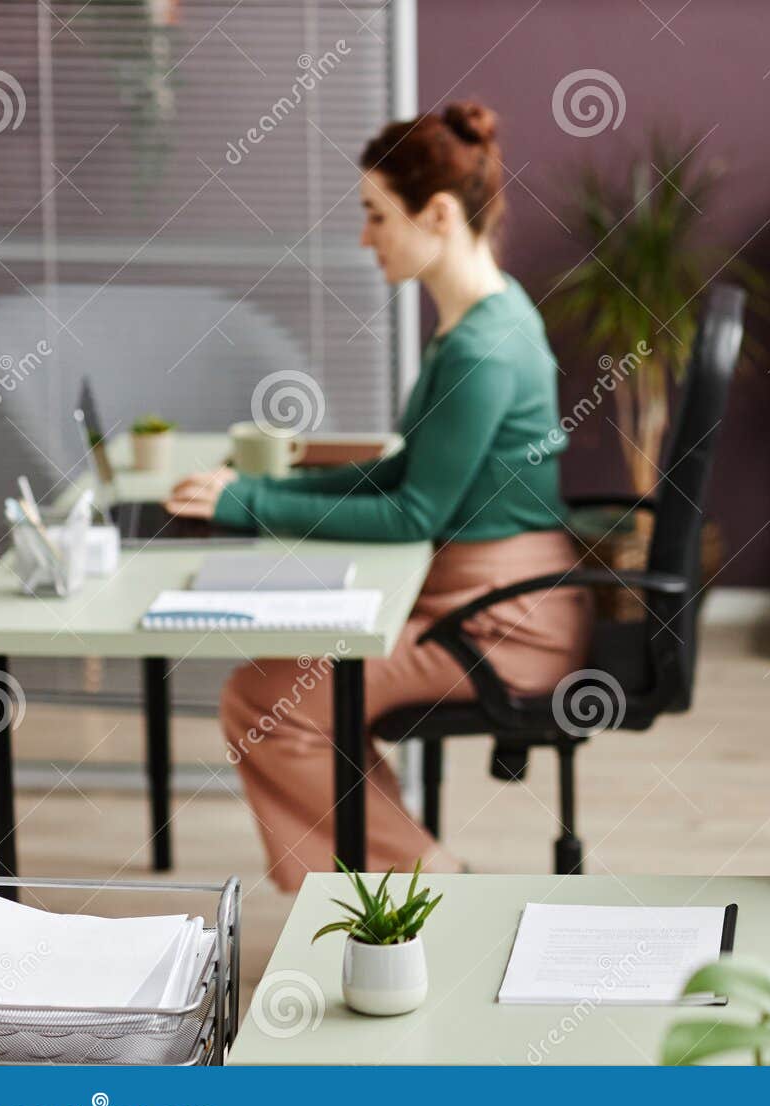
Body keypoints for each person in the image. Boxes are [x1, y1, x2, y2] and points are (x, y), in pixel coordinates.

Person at [165, 100, 591, 891]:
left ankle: (439, 881)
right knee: (287, 698)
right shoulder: (477, 318)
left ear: (435, 214)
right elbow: (405, 471)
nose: (364, 238)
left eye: (374, 215)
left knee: (268, 703)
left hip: (502, 618)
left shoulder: (481, 350)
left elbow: (411, 515)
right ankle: (398, 881)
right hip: (471, 593)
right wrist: (264, 487)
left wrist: (244, 504)